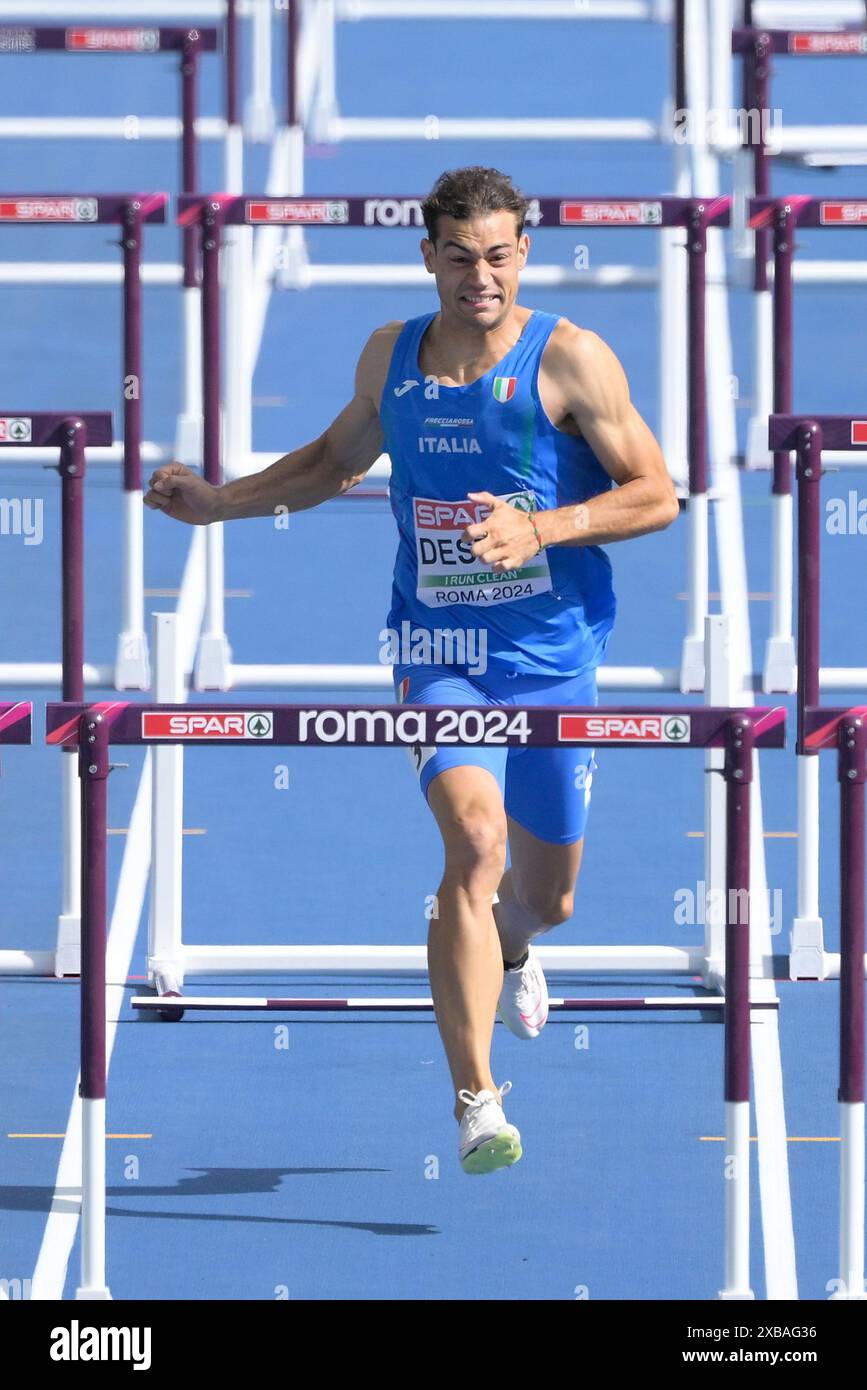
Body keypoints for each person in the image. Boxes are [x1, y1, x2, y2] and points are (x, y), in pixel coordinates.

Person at [144, 166, 679, 1176]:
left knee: (548, 896)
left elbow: (657, 494)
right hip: (438, 648)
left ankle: (515, 948)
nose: (482, 275)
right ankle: (479, 1100)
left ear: (524, 252)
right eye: (461, 256)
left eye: (500, 255)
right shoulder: (391, 356)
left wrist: (546, 526)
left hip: (552, 654)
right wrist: (218, 504)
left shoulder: (570, 361)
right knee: (475, 847)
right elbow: (332, 461)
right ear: (428, 255)